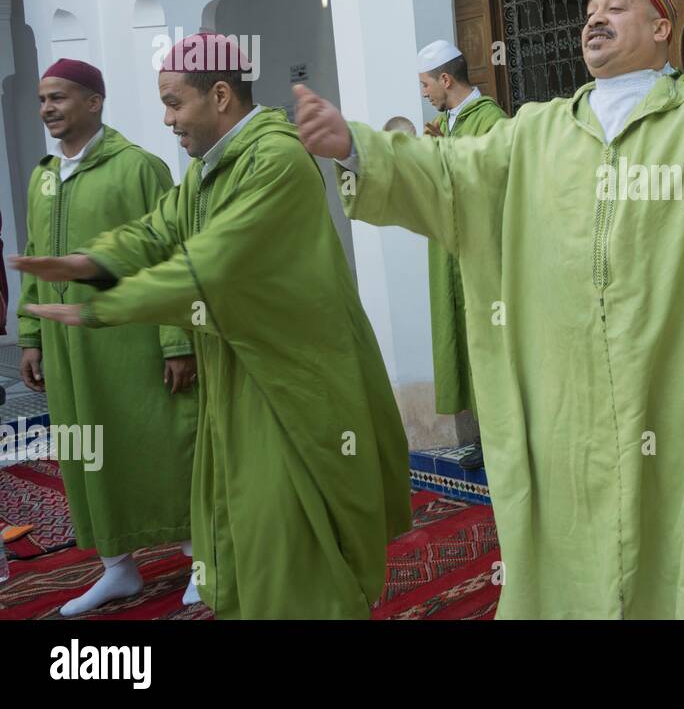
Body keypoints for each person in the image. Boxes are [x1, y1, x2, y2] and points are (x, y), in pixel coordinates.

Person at [295, 0, 684, 618]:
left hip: (675, 392)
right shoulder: (536, 132)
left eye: (616, 6)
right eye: (590, 9)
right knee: (567, 552)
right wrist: (358, 150)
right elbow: (448, 174)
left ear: (662, 28)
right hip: (566, 404)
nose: (594, 18)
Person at [14, 34, 412, 619]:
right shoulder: (208, 170)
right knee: (243, 526)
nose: (167, 119)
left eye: (174, 103)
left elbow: (212, 264)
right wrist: (92, 263)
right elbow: (157, 230)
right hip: (240, 369)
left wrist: (104, 306)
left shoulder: (273, 159)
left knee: (291, 537)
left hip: (292, 379)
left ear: (220, 94)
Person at [17, 59, 198, 615]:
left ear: (94, 102)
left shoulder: (138, 168)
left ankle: (203, 559)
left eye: (60, 97)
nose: (47, 107)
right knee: (84, 451)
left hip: (133, 341)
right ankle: (117, 569)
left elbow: (173, 257)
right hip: (71, 353)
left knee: (166, 447)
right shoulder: (42, 176)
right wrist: (31, 334)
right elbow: (36, 260)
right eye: (43, 98)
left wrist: (176, 341)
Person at [416, 40, 506, 471]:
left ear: (446, 80)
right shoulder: (441, 124)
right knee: (461, 340)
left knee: (489, 342)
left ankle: (504, 437)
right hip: (448, 250)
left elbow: (493, 183)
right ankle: (480, 437)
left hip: (480, 251)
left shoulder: (491, 121)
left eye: (426, 84)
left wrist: (445, 155)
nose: (424, 93)